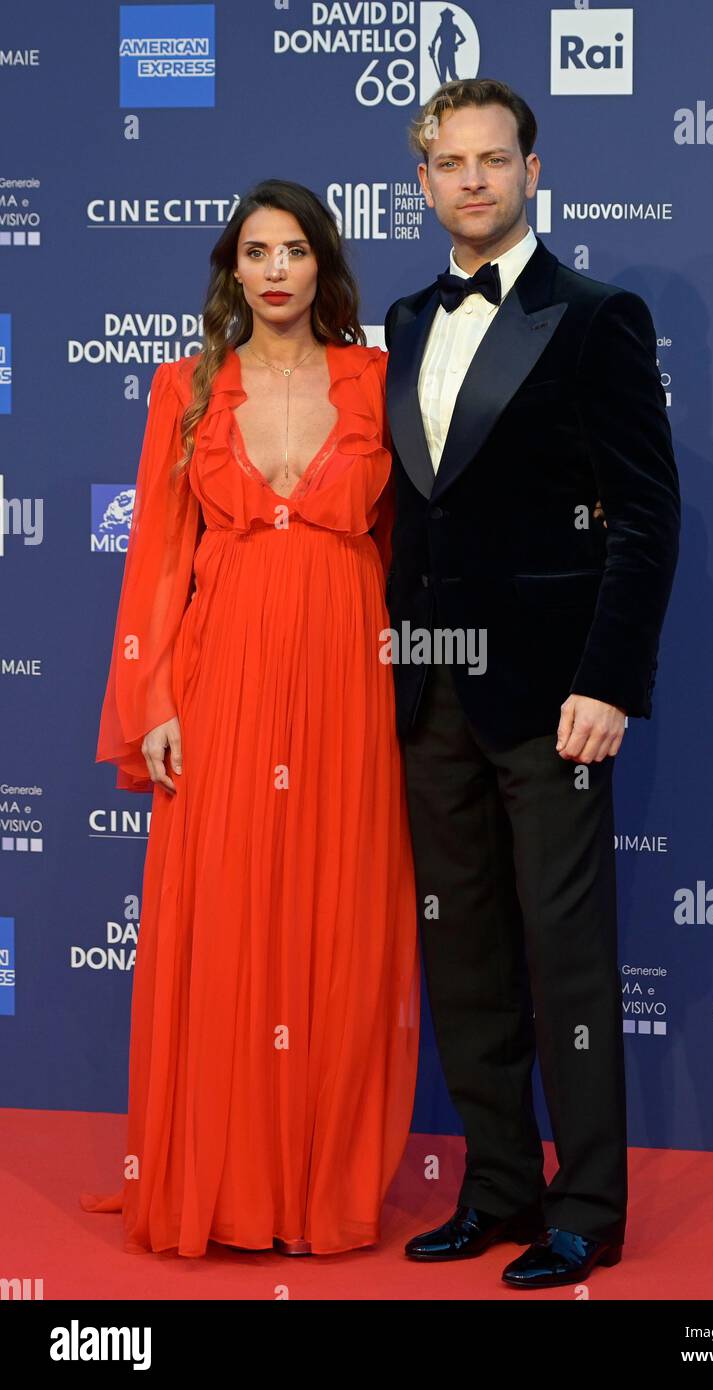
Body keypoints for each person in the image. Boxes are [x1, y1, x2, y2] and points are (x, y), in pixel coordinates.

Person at [80, 179, 420, 1258]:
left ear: (324, 265)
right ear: (232, 269)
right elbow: (158, 562)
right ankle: (220, 1184)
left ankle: (315, 1189)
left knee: (336, 918)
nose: (275, 270)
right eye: (256, 252)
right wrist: (154, 698)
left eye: (295, 250)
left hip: (348, 676)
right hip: (221, 678)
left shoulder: (377, 378)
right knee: (225, 914)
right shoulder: (183, 387)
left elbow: (425, 543)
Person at [383, 80, 681, 1290]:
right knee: (460, 953)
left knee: (565, 957)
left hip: (554, 694)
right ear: (423, 183)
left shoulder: (596, 315)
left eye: (491, 161)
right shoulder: (404, 318)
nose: (471, 181)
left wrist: (607, 679)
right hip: (426, 691)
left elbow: (645, 517)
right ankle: (495, 1188)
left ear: (530, 170)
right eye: (449, 163)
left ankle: (585, 1210)